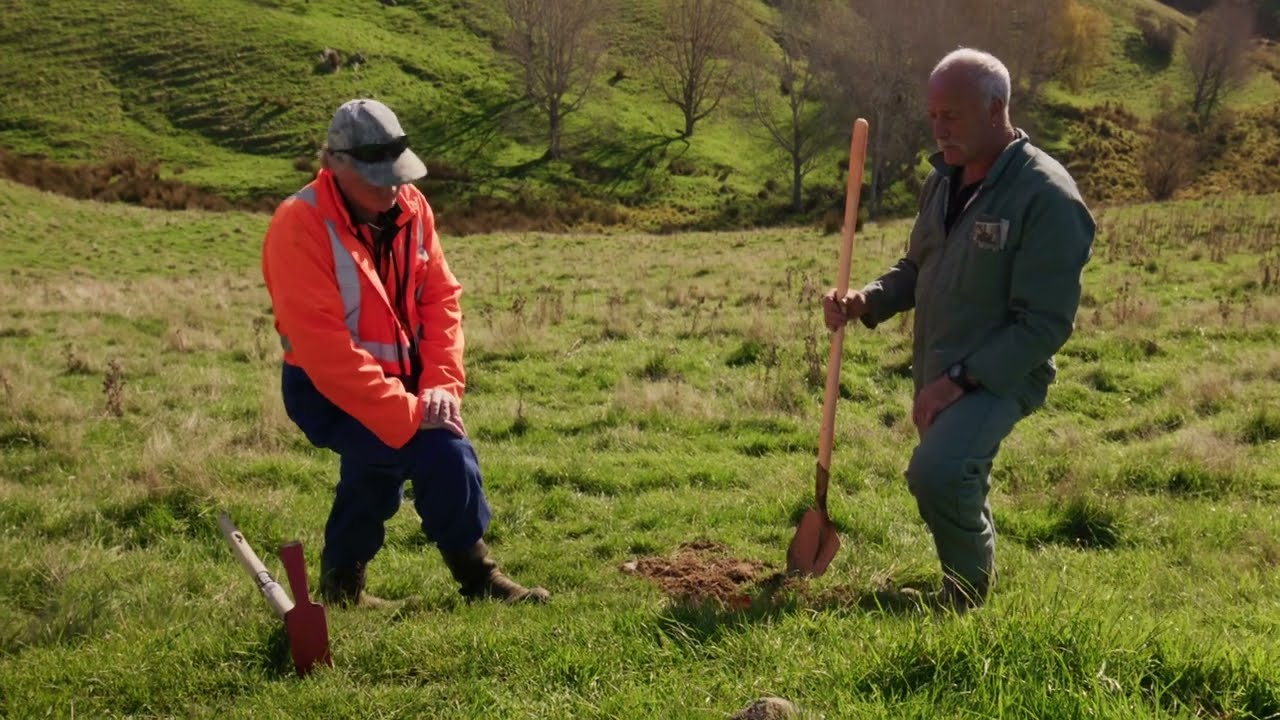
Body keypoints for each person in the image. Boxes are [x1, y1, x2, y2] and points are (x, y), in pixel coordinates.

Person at [822, 49, 1094, 610]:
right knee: (956, 472)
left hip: (1001, 372)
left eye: (953, 115)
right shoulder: (942, 181)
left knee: (940, 473)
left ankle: (965, 600)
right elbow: (918, 267)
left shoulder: (1046, 196)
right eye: (933, 115)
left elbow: (1044, 324)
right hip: (938, 363)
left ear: (997, 109)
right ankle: (973, 574)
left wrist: (960, 380)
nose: (939, 129)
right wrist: (864, 300)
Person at [262, 98, 549, 607]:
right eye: (377, 178)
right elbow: (325, 349)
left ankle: (341, 587)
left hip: (411, 379)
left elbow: (440, 298)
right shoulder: (298, 225)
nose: (392, 188)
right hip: (326, 390)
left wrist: (440, 385)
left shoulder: (413, 207)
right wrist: (412, 413)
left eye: (397, 174)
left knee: (376, 464)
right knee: (442, 452)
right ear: (334, 163)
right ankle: (479, 579)